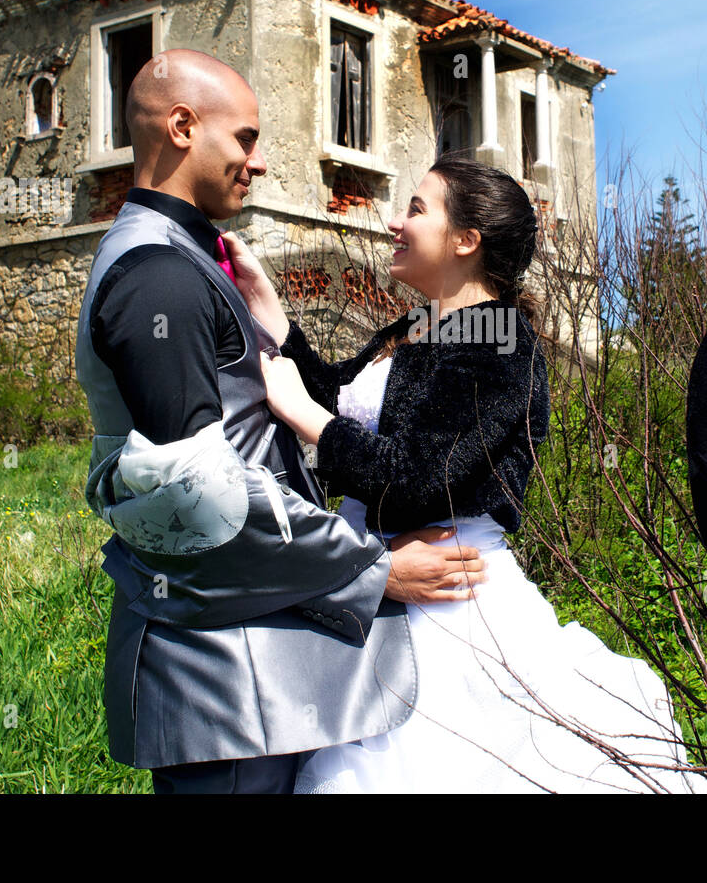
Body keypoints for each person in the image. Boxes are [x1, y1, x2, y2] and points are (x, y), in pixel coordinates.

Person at [224, 154, 707, 793]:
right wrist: (272, 313)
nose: (397, 224)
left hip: (452, 608)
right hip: (391, 590)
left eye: (417, 209)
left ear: (465, 240)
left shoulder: (498, 341)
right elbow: (341, 399)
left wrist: (303, 418)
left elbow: (418, 477)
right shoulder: (418, 328)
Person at [76, 49, 486, 794]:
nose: (257, 163)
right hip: (225, 682)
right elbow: (194, 498)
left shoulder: (178, 259)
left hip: (252, 663)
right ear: (180, 126)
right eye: (245, 139)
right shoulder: (158, 275)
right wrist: (376, 569)